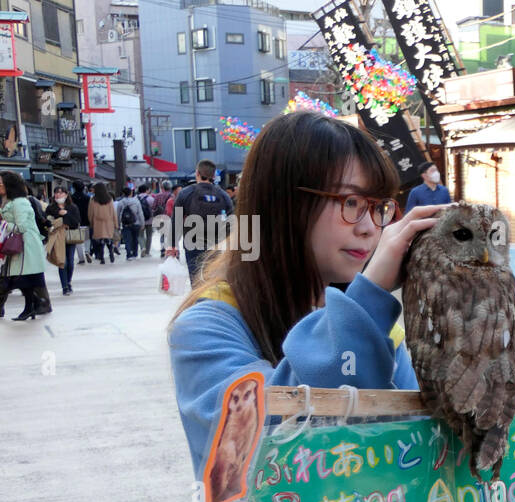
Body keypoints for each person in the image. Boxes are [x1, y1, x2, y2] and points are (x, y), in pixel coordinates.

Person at [168, 111, 444, 480]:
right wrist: (371, 296)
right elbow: (279, 439)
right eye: (350, 203)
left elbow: (416, 445)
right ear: (284, 205)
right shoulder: (204, 329)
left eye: (378, 207)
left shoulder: (376, 327)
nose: (368, 228)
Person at [166, 160, 234, 286]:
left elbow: (177, 220)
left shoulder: (185, 194)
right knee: (214, 279)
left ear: (197, 173)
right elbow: (231, 223)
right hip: (216, 245)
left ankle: (199, 301)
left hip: (192, 244)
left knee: (196, 280)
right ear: (214, 176)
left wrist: (172, 245)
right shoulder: (223, 196)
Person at [0, 171, 54, 320]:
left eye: (1, 183)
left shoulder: (20, 202)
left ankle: (34, 307)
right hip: (20, 246)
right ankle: (32, 307)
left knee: (21, 279)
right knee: (23, 280)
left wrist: (4, 224)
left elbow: (21, 227)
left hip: (26, 246)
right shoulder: (10, 201)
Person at [46, 186, 82, 296]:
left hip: (70, 236)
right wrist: (58, 215)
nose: (58, 195)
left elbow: (76, 222)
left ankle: (69, 281)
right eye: (56, 193)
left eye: (61, 193)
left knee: (70, 262)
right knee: (62, 261)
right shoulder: (51, 208)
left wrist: (66, 214)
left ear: (66, 194)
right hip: (57, 237)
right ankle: (65, 286)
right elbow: (47, 221)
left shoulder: (72, 207)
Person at [88, 183, 118, 264]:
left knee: (100, 241)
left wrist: (91, 222)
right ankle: (111, 252)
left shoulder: (93, 200)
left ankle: (102, 258)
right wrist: (116, 223)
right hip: (109, 222)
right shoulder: (109, 199)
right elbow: (113, 212)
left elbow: (91, 212)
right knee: (108, 239)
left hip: (98, 223)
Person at [117, 186, 144, 259]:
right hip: (136, 223)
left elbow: (118, 214)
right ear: (131, 193)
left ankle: (129, 254)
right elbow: (140, 213)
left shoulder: (120, 202)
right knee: (135, 239)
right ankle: (135, 253)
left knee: (127, 239)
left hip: (125, 224)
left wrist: (118, 224)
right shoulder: (136, 201)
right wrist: (142, 223)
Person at [70, 181, 91, 264]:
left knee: (78, 241)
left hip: (75, 222)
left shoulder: (71, 198)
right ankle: (87, 251)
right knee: (87, 239)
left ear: (74, 188)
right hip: (86, 220)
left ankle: (81, 259)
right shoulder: (87, 198)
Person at [137, 183, 155, 257]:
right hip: (149, 220)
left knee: (140, 235)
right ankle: (147, 252)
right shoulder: (151, 199)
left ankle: (142, 247)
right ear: (147, 190)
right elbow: (154, 209)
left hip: (139, 220)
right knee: (149, 236)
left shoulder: (135, 199)